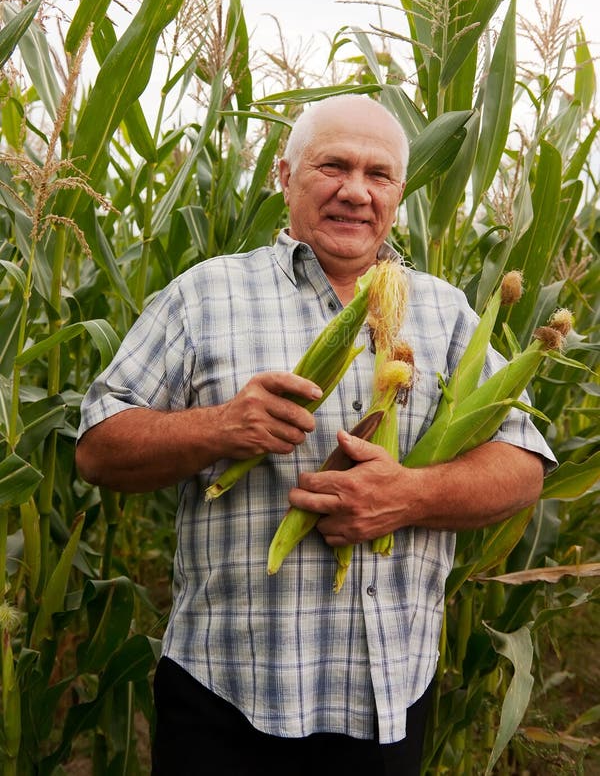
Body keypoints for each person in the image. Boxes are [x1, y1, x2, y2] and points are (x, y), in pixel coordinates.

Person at [76, 94, 555, 776]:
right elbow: (98, 448)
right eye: (332, 166)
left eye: (379, 174)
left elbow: (524, 464)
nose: (355, 192)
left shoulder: (446, 314)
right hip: (225, 697)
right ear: (284, 175)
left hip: (389, 700)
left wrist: (409, 495)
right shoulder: (203, 296)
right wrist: (221, 426)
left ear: (400, 192)